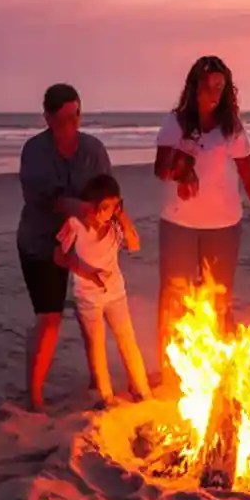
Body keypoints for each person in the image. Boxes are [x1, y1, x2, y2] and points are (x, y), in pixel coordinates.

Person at [154, 55, 250, 386]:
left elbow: (249, 176)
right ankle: (169, 369)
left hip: (223, 224)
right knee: (173, 295)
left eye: (220, 87)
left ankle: (219, 369)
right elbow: (159, 167)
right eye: (208, 87)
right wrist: (183, 171)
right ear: (194, 87)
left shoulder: (231, 127)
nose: (214, 94)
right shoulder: (176, 123)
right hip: (179, 222)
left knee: (220, 297)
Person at [17, 83, 111, 412]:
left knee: (90, 310)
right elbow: (46, 199)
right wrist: (77, 207)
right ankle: (35, 395)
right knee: (50, 318)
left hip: (87, 241)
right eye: (62, 120)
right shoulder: (34, 152)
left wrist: (116, 222)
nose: (70, 126)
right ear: (47, 118)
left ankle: (97, 378)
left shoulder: (93, 149)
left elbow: (107, 193)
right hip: (41, 242)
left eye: (75, 117)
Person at [54, 174, 153, 407]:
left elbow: (135, 245)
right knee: (96, 345)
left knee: (127, 340)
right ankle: (106, 396)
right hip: (88, 295)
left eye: (115, 206)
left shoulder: (115, 226)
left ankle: (142, 390)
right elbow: (59, 256)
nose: (110, 212)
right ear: (93, 205)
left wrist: (122, 216)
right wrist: (88, 274)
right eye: (106, 206)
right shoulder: (75, 225)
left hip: (116, 291)